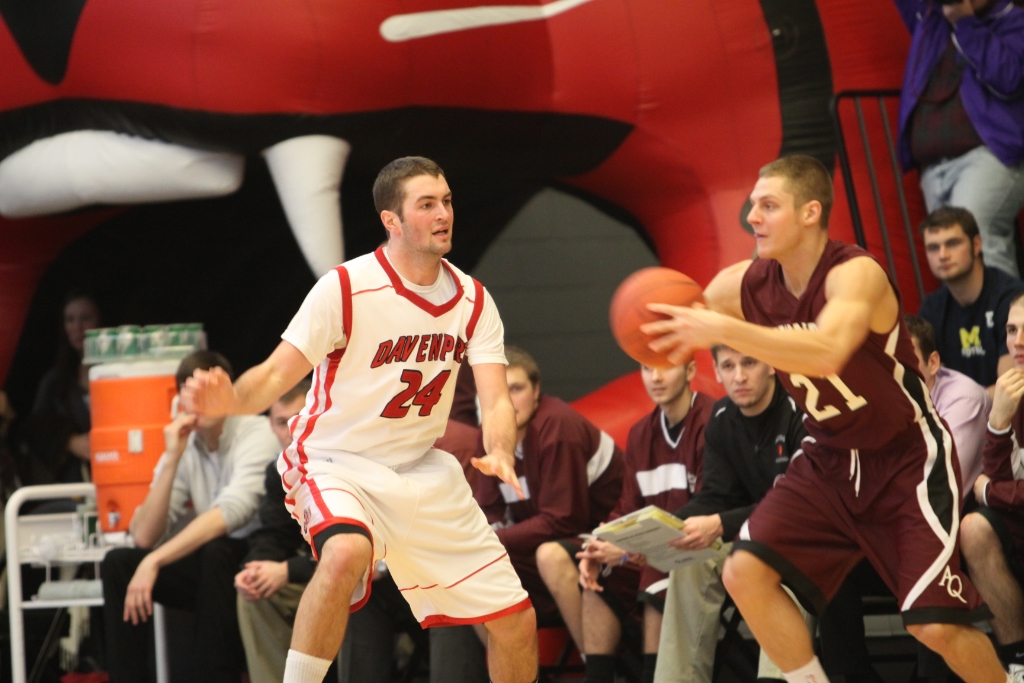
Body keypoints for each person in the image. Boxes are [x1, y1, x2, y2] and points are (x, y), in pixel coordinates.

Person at [643, 154, 1002, 683]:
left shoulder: (856, 274)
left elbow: (828, 351)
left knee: (934, 626)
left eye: (769, 206)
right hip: (829, 457)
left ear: (810, 212)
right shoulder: (742, 285)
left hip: (905, 460)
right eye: (752, 205)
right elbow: (676, 318)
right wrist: (649, 325)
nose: (752, 217)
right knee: (745, 572)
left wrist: (722, 329)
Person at [181, 156, 538, 683]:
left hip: (421, 469)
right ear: (392, 220)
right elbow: (276, 374)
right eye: (426, 205)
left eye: (446, 201)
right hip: (337, 460)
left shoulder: (473, 299)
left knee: (516, 622)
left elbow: (497, 398)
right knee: (346, 551)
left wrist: (502, 448)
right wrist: (229, 401)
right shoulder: (346, 287)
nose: (443, 214)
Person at [433, 346, 624, 683]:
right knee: (466, 568)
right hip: (550, 545)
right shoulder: (490, 437)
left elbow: (562, 519)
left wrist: (491, 540)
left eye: (517, 388)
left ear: (537, 392)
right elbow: (490, 513)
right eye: (499, 391)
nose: (507, 401)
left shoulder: (557, 425)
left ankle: (599, 673)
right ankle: (517, 675)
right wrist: (472, 545)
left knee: (549, 555)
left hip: (608, 539)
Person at [101, 350, 280, 683]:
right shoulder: (185, 443)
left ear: (227, 392)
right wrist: (171, 458)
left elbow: (231, 513)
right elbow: (144, 536)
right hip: (217, 563)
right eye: (191, 393)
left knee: (216, 551)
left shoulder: (258, 432)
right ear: (180, 400)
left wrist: (155, 560)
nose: (200, 402)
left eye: (207, 392)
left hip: (262, 555)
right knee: (119, 563)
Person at [535, 359, 712, 683]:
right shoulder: (641, 432)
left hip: (698, 550)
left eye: (665, 367)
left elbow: (708, 508)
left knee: (657, 569)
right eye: (647, 368)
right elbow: (626, 510)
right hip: (650, 553)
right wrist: (600, 546)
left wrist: (633, 551)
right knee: (600, 572)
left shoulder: (712, 421)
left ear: (689, 371)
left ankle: (652, 676)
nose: (655, 377)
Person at [652, 346, 802, 683]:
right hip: (748, 539)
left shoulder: (799, 411)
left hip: (801, 539)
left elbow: (797, 504)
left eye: (749, 363)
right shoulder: (721, 418)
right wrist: (658, 534)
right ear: (717, 372)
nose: (739, 376)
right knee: (692, 560)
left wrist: (720, 524)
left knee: (777, 557)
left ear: (771, 365)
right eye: (729, 366)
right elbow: (716, 497)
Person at [893, 0, 1024, 277]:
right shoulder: (931, 21)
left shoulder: (1015, 21)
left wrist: (965, 22)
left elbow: (1009, 78)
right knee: (951, 260)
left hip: (990, 157)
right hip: (932, 164)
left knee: (979, 242)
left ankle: (1005, 308)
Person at [961, 292, 1024, 682]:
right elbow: (999, 476)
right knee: (974, 528)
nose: (1018, 341)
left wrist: (988, 492)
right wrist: (998, 422)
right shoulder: (1011, 389)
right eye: (1012, 330)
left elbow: (992, 488)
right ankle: (1019, 661)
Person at [918, 207, 1024, 391]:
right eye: (933, 247)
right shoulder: (932, 308)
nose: (942, 255)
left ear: (976, 245)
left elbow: (1011, 387)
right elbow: (929, 385)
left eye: (952, 244)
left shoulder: (1012, 298)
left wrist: (962, 403)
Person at [906, 314, 991, 499]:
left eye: (906, 360)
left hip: (968, 505)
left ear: (933, 363)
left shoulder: (963, 399)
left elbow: (943, 487)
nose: (895, 370)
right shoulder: (885, 400)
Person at [23, 290, 100, 486]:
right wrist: (69, 441)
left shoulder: (119, 374)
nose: (78, 327)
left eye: (86, 318)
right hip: (73, 486)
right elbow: (36, 428)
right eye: (70, 320)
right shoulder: (55, 381)